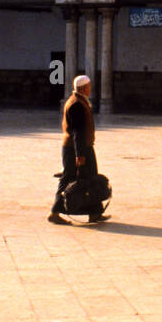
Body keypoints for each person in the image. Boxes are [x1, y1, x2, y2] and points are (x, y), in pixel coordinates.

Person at [48, 75, 108, 225]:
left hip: (82, 146)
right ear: (83, 88)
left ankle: (95, 212)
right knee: (68, 178)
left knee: (90, 178)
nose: (90, 88)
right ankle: (54, 212)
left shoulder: (79, 101)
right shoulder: (76, 104)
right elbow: (77, 131)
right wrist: (80, 155)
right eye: (88, 86)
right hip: (75, 149)